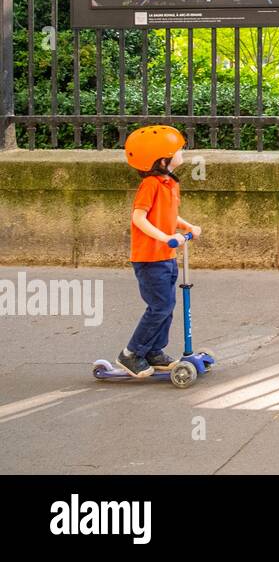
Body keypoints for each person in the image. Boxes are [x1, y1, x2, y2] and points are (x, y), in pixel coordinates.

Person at [117, 125, 201, 378]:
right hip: (149, 258)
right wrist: (165, 237)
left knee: (167, 305)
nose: (181, 151)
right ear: (162, 160)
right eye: (177, 150)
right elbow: (139, 217)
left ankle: (154, 351)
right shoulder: (150, 185)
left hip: (166, 256)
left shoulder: (169, 183)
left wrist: (186, 226)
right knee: (159, 307)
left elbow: (167, 216)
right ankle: (131, 353)